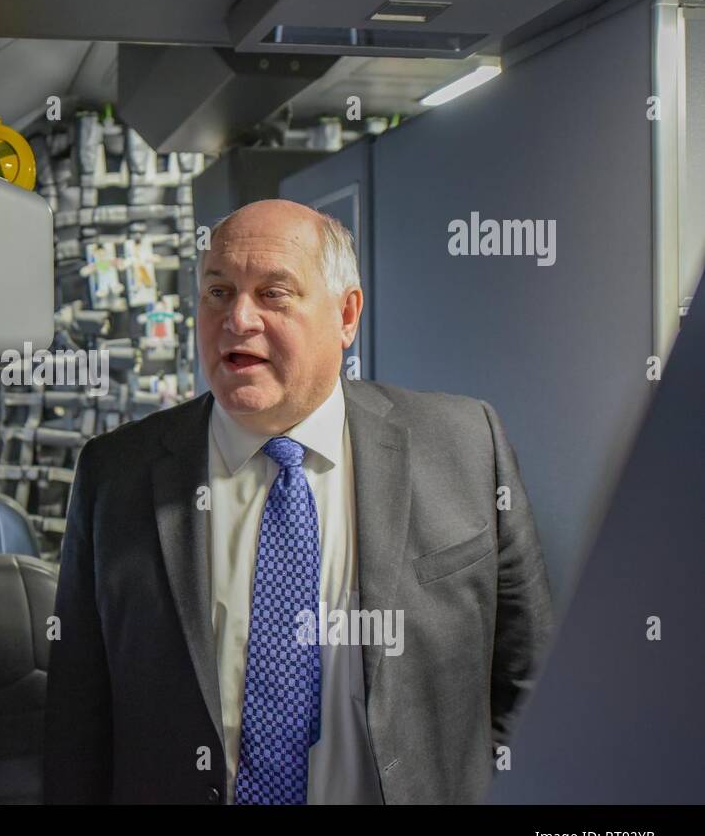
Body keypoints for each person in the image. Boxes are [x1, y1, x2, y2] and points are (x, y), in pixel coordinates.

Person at [44, 199, 552, 804]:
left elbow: (535, 684)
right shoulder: (117, 477)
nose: (238, 319)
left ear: (346, 314)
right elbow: (79, 720)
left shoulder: (465, 449)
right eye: (217, 292)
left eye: (274, 294)